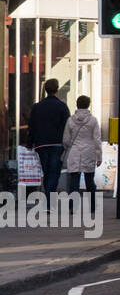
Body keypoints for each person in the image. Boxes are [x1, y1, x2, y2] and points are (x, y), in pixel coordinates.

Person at [26, 79, 70, 207]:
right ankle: (50, 199)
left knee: (47, 172)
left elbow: (31, 126)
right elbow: (66, 126)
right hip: (57, 143)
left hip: (41, 144)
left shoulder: (37, 107)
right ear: (57, 90)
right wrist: (66, 142)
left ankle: (48, 198)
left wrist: (30, 143)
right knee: (54, 172)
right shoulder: (62, 106)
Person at [62, 95, 102, 214]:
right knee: (90, 181)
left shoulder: (70, 120)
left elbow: (66, 139)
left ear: (77, 105)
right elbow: (97, 139)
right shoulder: (93, 120)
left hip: (74, 152)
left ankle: (72, 207)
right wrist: (99, 156)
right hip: (89, 152)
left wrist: (70, 147)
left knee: (74, 181)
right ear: (88, 105)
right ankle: (92, 207)